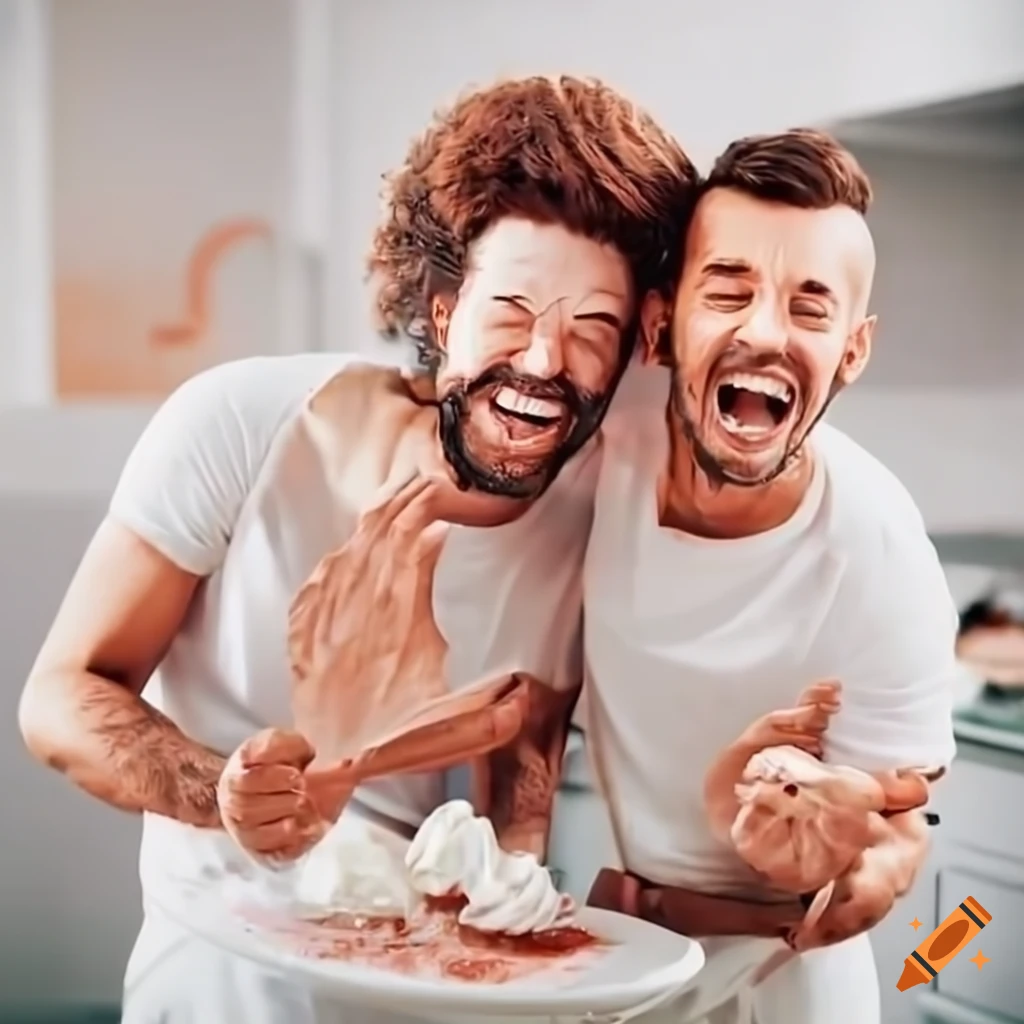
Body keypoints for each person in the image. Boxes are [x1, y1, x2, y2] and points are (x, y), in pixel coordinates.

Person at [18, 75, 698, 1023]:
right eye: (513, 309)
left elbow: (523, 752)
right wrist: (221, 792)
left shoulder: (599, 513)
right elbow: (61, 696)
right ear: (444, 309)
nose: (546, 362)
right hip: (215, 993)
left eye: (593, 328)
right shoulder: (240, 422)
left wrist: (513, 881)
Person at [581, 129, 957, 1023]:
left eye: (810, 306)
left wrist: (839, 865)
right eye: (731, 290)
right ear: (662, 324)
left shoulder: (879, 547)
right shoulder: (598, 449)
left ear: (853, 354)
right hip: (609, 960)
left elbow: (902, 829)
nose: (763, 330)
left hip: (785, 991)